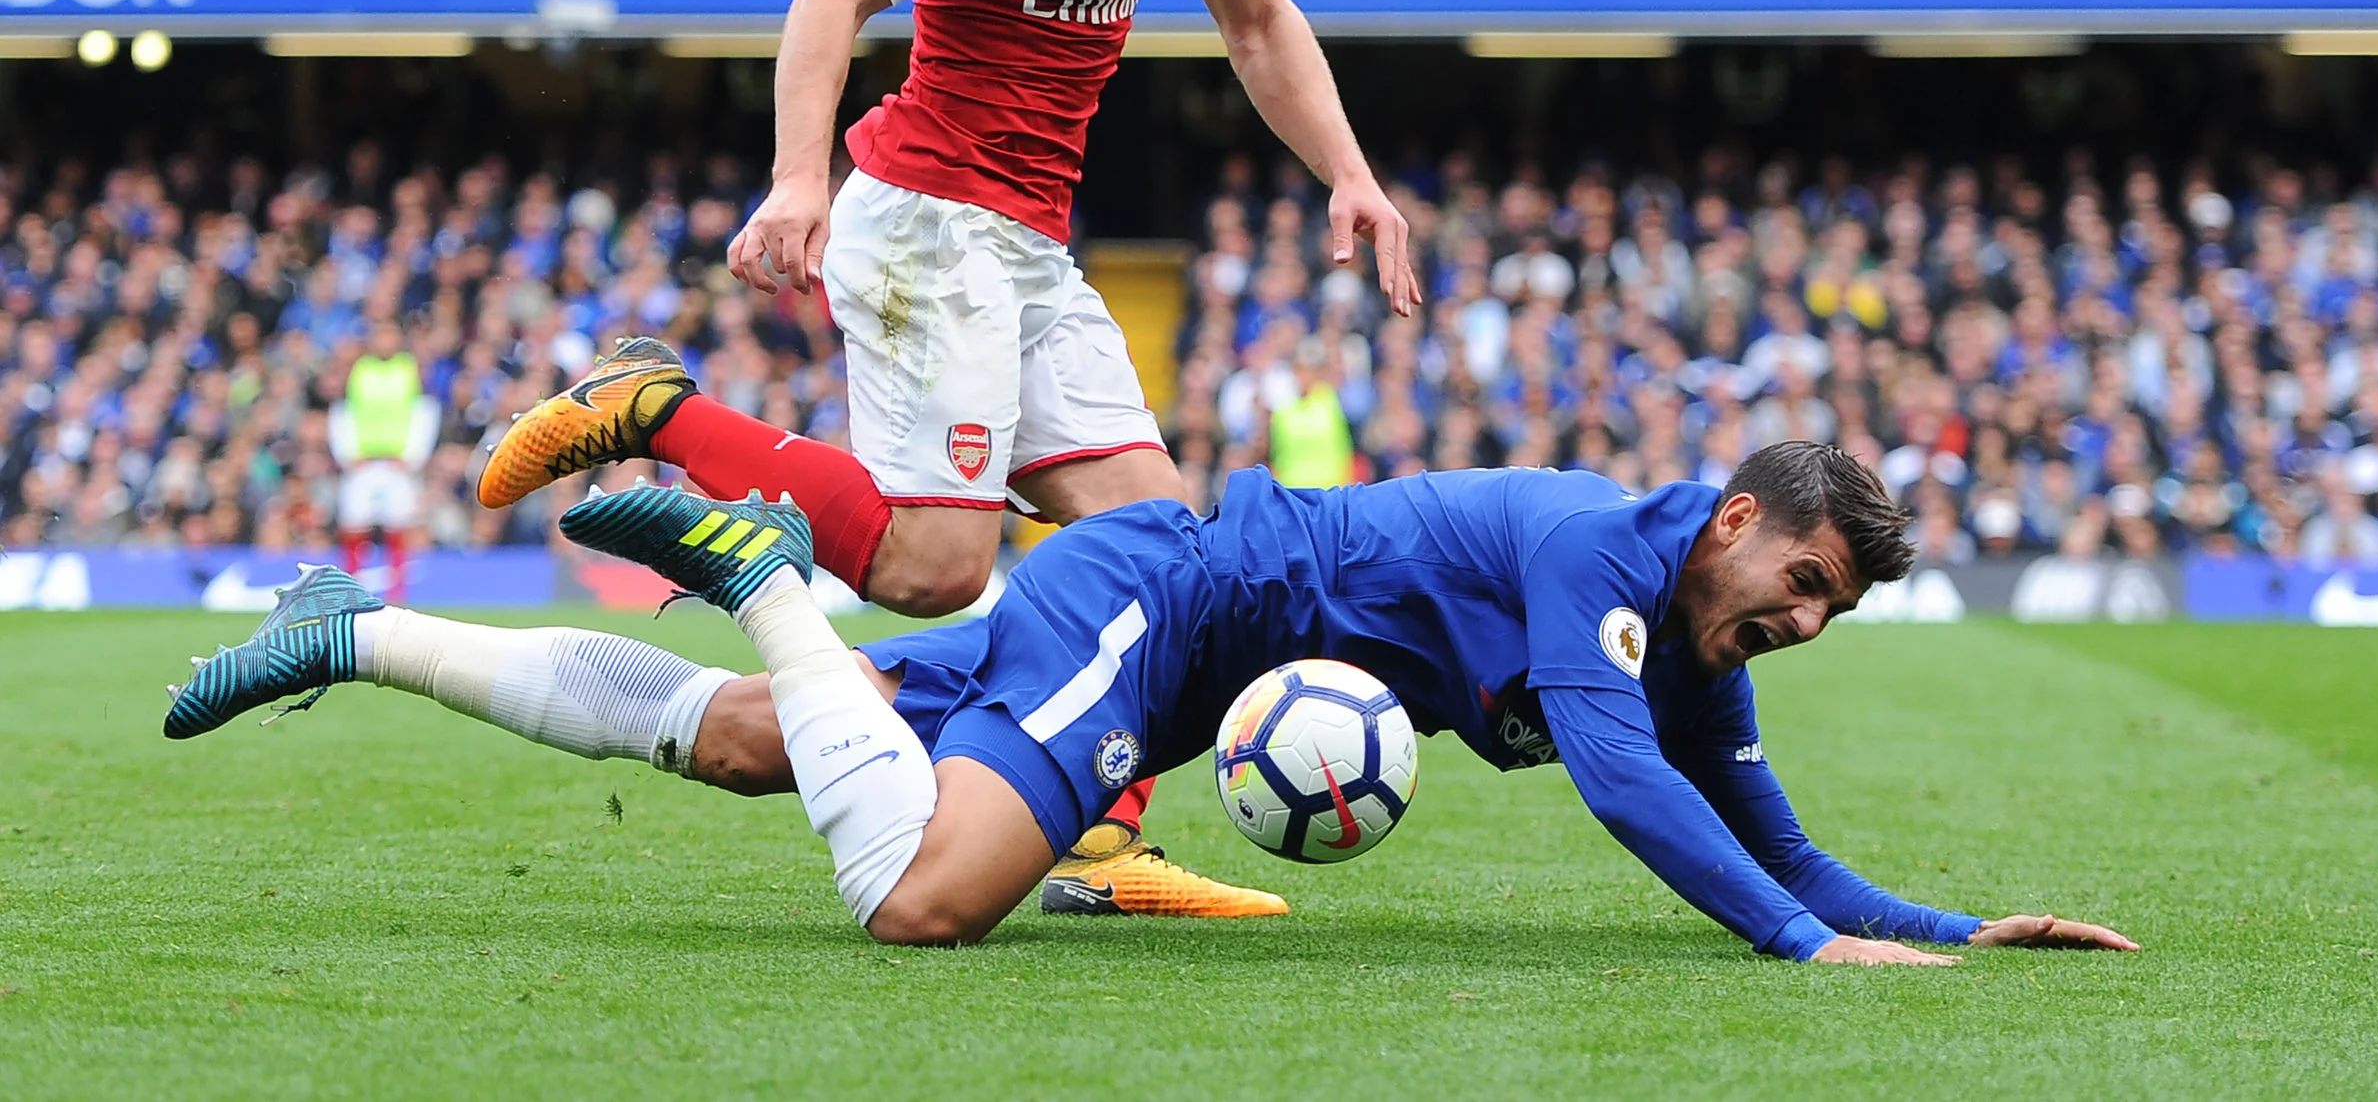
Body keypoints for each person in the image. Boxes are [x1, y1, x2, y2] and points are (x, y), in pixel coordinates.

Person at [472, 0, 1416, 918]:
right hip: (926, 220)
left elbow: (1258, 20)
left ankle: (1098, 851)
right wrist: (800, 180)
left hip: (1027, 243)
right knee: (933, 569)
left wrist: (1350, 172)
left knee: (1170, 563)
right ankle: (656, 408)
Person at [169, 442, 2135, 965]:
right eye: (1797, 581)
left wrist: (1942, 926)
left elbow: (1758, 821)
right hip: (1164, 603)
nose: (1797, 620)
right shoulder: (1591, 564)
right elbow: (1625, 790)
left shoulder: (1692, 631)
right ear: (1731, 522)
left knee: (769, 739)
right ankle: (769, 562)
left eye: (1824, 612)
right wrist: (1797, 951)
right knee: (921, 898)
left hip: (1168, 659)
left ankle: (352, 629)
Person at [326, 320, 438, 605]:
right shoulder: (360, 370)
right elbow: (344, 410)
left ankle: (397, 591)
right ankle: (351, 587)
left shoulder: (409, 369)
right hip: (362, 462)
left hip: (397, 463)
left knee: (398, 525)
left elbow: (424, 410)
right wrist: (348, 454)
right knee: (354, 524)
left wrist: (414, 454)